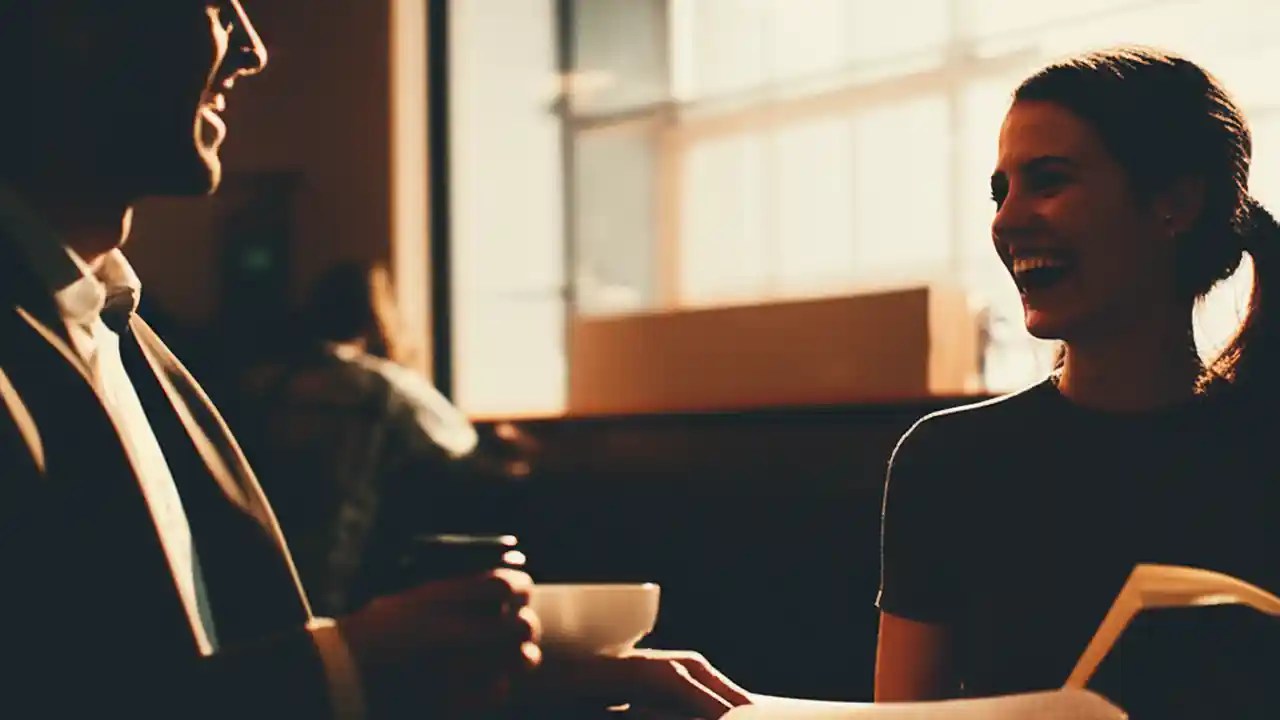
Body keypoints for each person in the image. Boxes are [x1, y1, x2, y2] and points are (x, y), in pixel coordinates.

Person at [0, 1, 747, 718]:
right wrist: (347, 673)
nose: (251, 49)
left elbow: (156, 664)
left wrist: (504, 689)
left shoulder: (133, 339)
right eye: (215, 5)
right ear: (69, 18)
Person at [875, 47, 1280, 716]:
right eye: (1001, 192)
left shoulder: (1264, 449)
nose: (1005, 221)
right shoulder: (945, 463)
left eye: (1048, 182)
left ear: (1174, 204)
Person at [237, 260, 506, 616]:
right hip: (341, 569)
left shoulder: (261, 385)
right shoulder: (383, 387)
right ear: (375, 315)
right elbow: (457, 441)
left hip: (255, 569)